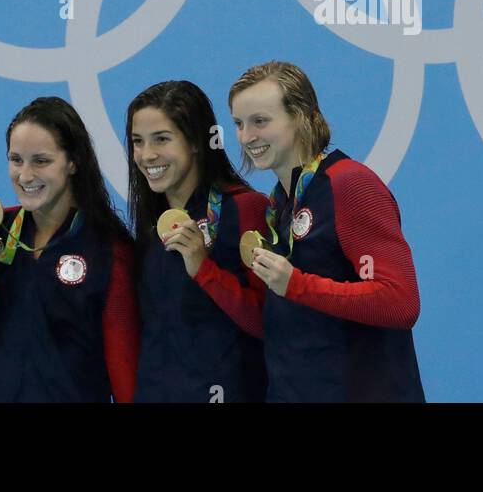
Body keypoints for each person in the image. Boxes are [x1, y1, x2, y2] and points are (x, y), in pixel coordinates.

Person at [228, 61, 425, 402]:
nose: (247, 137)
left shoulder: (349, 184)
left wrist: (298, 285)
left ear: (300, 116)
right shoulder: (278, 204)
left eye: (260, 121)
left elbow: (401, 303)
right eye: (238, 124)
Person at [0, 96, 138, 402]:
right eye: (16, 159)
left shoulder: (109, 251)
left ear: (73, 161)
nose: (25, 175)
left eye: (41, 161)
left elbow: (125, 375)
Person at [128, 80, 268, 402]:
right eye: (138, 141)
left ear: (194, 141)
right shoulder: (150, 225)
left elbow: (268, 322)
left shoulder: (245, 208)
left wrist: (205, 269)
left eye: (161, 139)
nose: (147, 155)